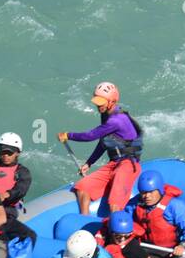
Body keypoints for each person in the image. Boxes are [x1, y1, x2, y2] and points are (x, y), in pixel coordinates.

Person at [57, 82, 144, 216]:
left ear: (112, 101)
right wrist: (89, 163)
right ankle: (84, 220)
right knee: (82, 187)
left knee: (114, 204)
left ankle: (115, 232)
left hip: (127, 165)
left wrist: (68, 135)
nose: (98, 105)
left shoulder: (116, 120)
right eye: (97, 101)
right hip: (114, 164)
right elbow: (104, 142)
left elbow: (90, 136)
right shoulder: (106, 114)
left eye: (101, 102)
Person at [131, 169, 185, 258]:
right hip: (146, 246)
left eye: (151, 192)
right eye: (143, 192)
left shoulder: (174, 206)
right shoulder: (136, 202)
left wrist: (183, 245)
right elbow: (124, 215)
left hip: (169, 250)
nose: (147, 196)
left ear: (159, 190)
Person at [0, 132, 31, 216]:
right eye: (2, 152)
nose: (5, 156)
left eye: (9, 153)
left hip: (10, 207)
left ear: (18, 153)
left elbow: (21, 190)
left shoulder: (22, 171)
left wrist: (5, 195)